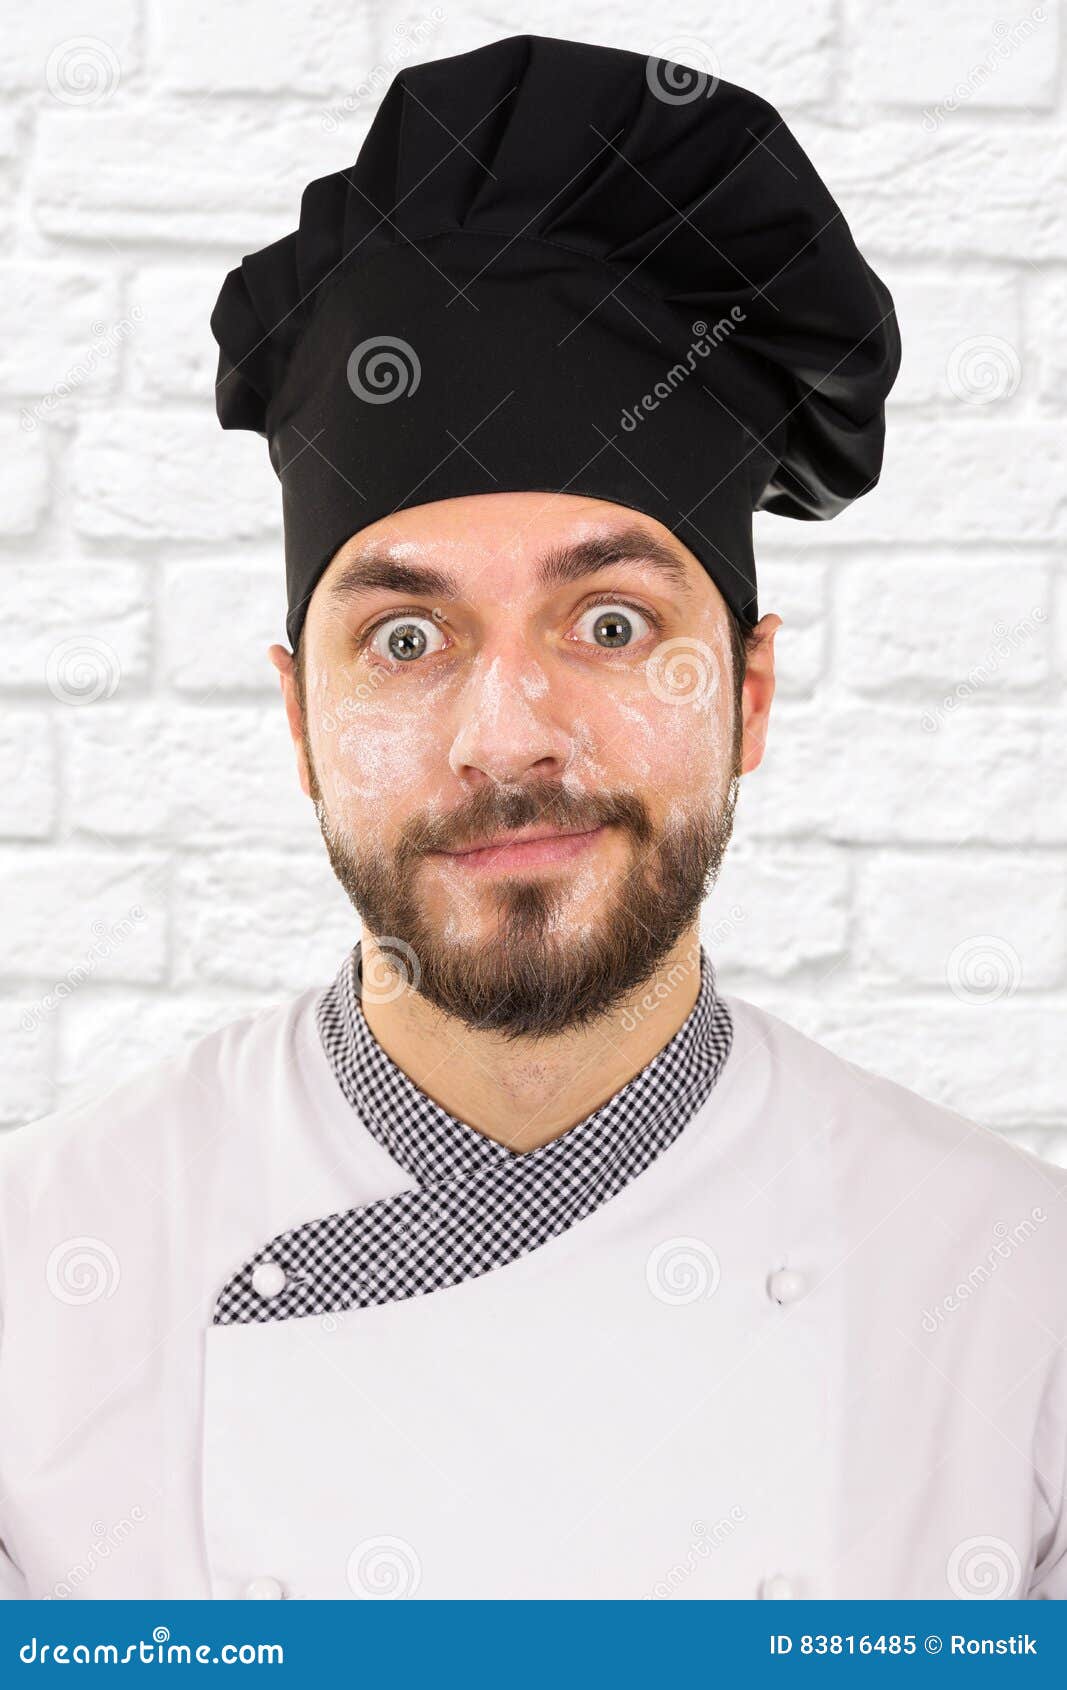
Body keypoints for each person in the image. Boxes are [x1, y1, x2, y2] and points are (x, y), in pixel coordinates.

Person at [1, 34, 1063, 1602]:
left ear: (750, 694)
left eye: (614, 624)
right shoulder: (39, 1279)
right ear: (301, 719)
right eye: (409, 639)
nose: (510, 740)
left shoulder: (1016, 1300)